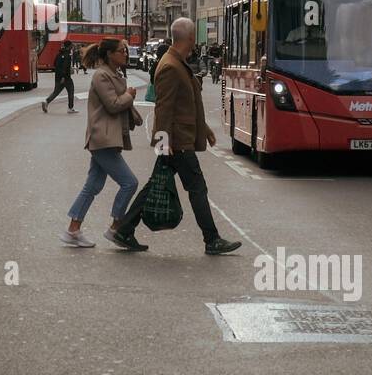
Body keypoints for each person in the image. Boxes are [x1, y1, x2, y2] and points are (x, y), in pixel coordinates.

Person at [108, 18, 241, 255]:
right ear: (190, 38)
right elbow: (164, 108)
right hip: (176, 142)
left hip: (176, 139)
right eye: (194, 37)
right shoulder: (170, 66)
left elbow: (187, 104)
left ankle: (124, 229)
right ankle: (211, 239)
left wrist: (205, 130)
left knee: (154, 185)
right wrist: (163, 142)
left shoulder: (177, 62)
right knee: (197, 187)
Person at [61, 39, 143, 248]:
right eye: (121, 51)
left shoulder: (113, 74)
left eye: (125, 50)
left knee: (93, 185)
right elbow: (113, 104)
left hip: (107, 137)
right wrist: (129, 96)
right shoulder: (101, 75)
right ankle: (116, 227)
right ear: (109, 55)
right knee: (129, 182)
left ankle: (73, 230)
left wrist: (131, 107)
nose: (125, 53)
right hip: (102, 138)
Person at [41, 41, 78, 113]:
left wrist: (60, 74)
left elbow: (55, 64)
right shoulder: (68, 55)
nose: (72, 47)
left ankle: (46, 102)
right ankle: (70, 108)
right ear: (69, 46)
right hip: (66, 78)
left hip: (57, 76)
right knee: (71, 91)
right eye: (71, 46)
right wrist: (64, 76)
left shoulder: (59, 54)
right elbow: (65, 67)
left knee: (56, 92)